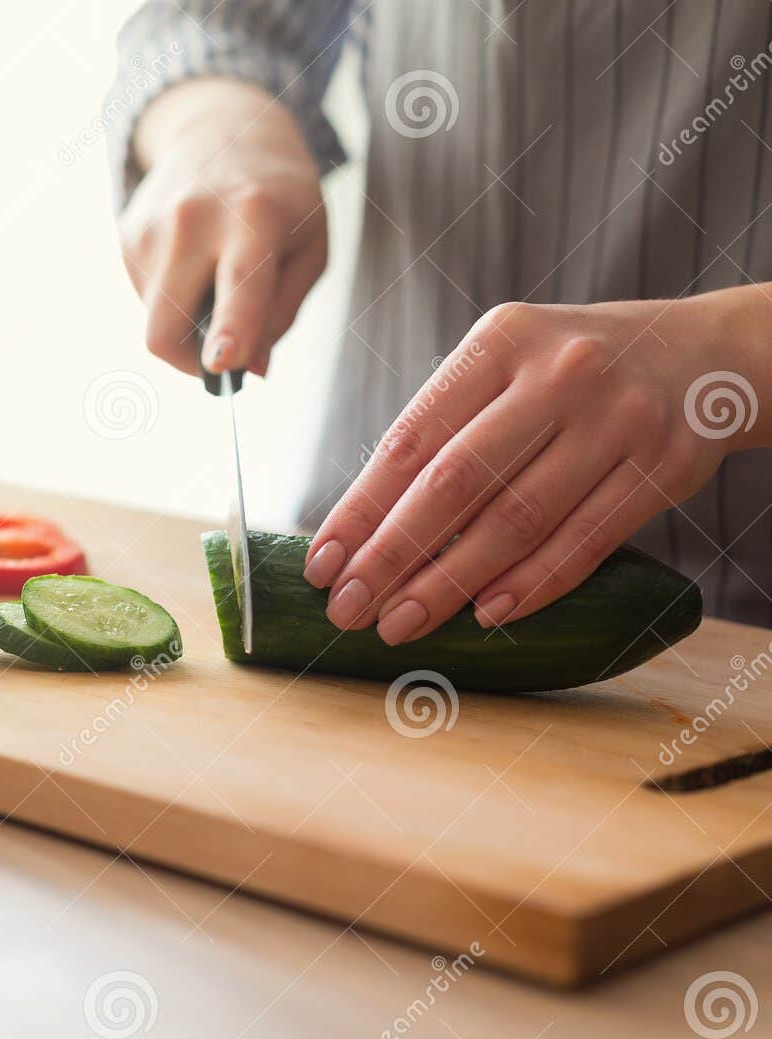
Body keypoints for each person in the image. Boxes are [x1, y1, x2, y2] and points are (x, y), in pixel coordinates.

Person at [107, 0, 772, 641]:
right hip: (355, 553)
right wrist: (214, 123)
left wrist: (729, 353)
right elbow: (214, 17)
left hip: (738, 609)